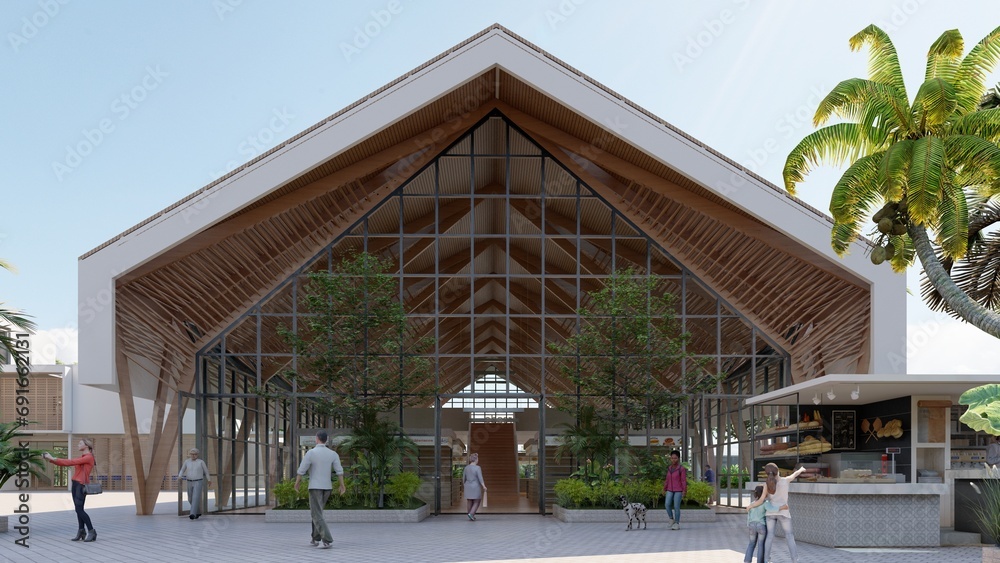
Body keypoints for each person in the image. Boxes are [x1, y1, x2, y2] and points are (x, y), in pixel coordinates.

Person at [294, 431, 346, 549]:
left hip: (315, 487)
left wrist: (297, 483)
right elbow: (339, 471)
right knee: (317, 512)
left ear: (317, 439)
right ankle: (315, 538)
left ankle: (326, 539)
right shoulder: (333, 454)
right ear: (326, 440)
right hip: (327, 488)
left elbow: (301, 469)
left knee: (316, 513)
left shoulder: (311, 453)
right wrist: (342, 485)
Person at [42, 438, 98, 542]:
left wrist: (52, 458)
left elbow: (70, 462)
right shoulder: (83, 457)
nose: (78, 445)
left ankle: (91, 531)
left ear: (86, 445)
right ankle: (81, 531)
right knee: (78, 509)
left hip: (81, 485)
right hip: (76, 484)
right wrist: (51, 459)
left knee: (79, 510)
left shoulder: (89, 457)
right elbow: (65, 463)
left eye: (80, 443)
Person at [762, 462, 806, 563]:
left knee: (769, 536)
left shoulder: (766, 484)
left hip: (770, 513)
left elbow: (763, 499)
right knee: (789, 536)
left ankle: (766, 560)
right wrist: (801, 469)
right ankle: (795, 560)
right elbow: (794, 474)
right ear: (778, 471)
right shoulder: (785, 481)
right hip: (784, 512)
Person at [177, 448, 212, 519]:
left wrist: (209, 479)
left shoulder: (201, 462)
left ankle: (192, 514)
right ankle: (198, 512)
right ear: (190, 454)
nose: (193, 456)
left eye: (195, 454)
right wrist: (179, 476)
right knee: (190, 498)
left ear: (197, 455)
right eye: (192, 454)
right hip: (189, 481)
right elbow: (182, 470)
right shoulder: (187, 462)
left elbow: (206, 472)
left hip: (198, 481)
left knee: (195, 497)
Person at [662, 450, 687, 530]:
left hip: (678, 490)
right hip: (669, 489)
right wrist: (664, 488)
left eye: (675, 458)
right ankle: (671, 518)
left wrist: (684, 490)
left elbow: (683, 480)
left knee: (676, 506)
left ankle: (677, 523)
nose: (673, 460)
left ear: (678, 458)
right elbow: (667, 479)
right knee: (667, 504)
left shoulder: (681, 469)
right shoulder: (669, 468)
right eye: (672, 458)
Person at [743, 485, 767, 563]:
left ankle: (747, 561)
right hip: (761, 525)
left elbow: (749, 516)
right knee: (761, 545)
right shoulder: (765, 503)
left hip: (751, 525)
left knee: (751, 543)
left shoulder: (752, 504)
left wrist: (748, 525)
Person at [462, 453, 487, 521]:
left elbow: (463, 478)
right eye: (478, 459)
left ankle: (470, 514)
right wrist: (484, 486)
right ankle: (471, 514)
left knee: (469, 500)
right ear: (476, 459)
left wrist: (464, 485)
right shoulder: (477, 468)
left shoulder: (466, 468)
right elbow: (480, 478)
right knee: (477, 501)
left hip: (467, 485)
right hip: (475, 486)